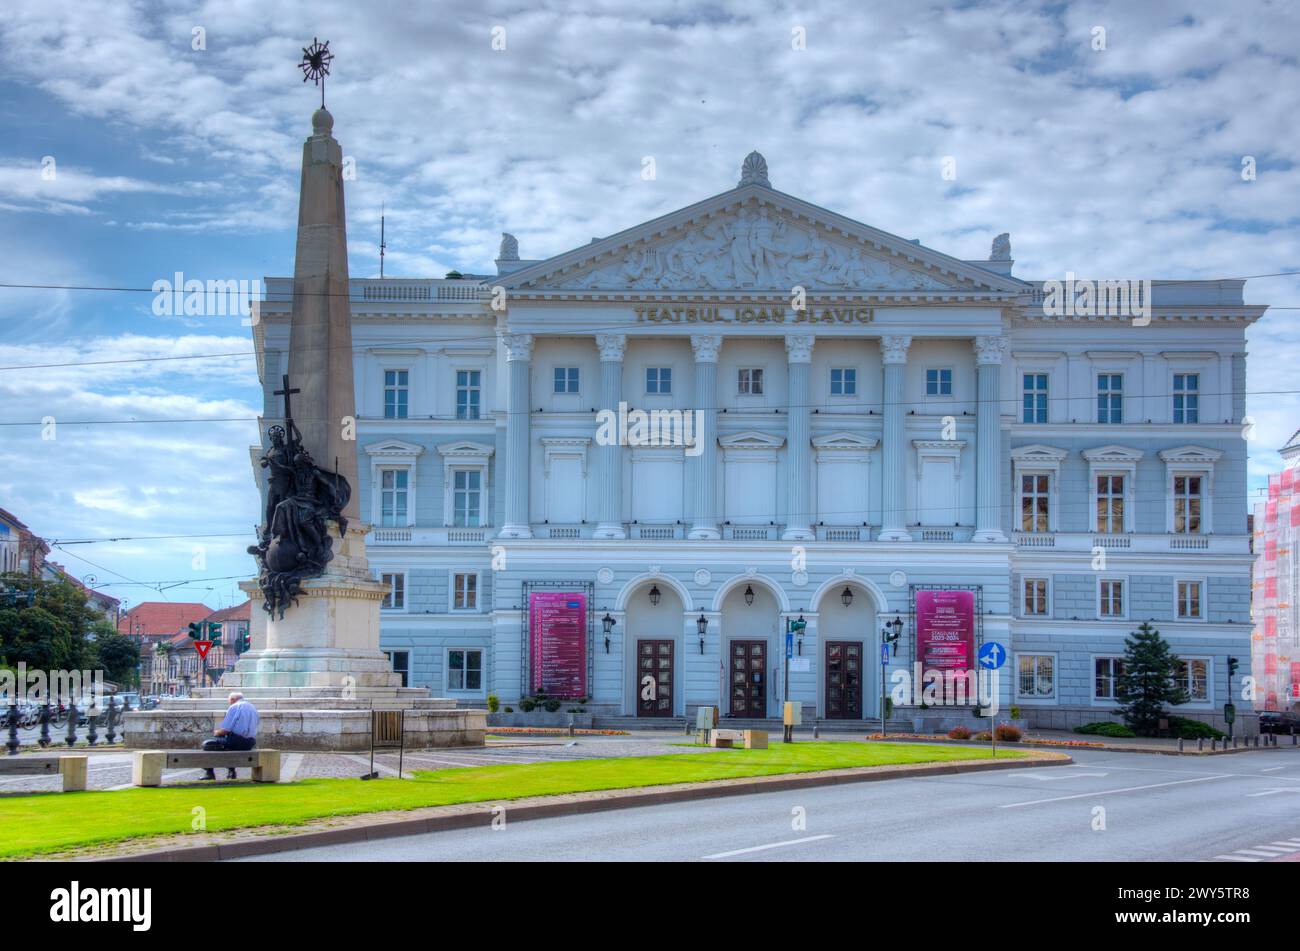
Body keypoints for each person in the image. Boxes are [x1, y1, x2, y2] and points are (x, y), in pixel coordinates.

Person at [200, 692, 259, 780]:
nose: (229, 703)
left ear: (232, 699)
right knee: (225, 744)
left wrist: (217, 733)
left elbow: (225, 730)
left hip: (237, 741)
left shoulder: (234, 707)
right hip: (250, 742)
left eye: (229, 701)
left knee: (208, 744)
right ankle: (231, 772)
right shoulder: (252, 707)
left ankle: (209, 773)